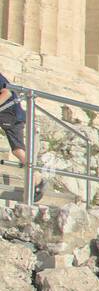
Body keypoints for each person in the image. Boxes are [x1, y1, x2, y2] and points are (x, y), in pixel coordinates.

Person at [0, 70, 42, 201]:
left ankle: (37, 177)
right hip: (6, 114)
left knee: (18, 150)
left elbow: (7, 93)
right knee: (18, 150)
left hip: (12, 115)